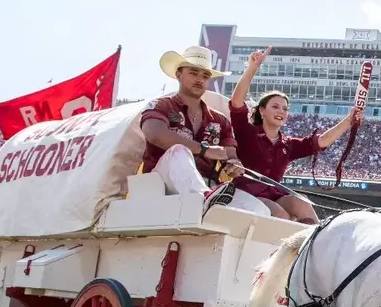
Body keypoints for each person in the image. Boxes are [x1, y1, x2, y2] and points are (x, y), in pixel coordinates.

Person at [229, 48, 361, 224]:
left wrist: (349, 121)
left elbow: (321, 141)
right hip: (244, 192)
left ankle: (312, 249)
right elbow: (237, 103)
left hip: (273, 194)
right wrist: (252, 68)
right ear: (262, 111)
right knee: (280, 215)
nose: (281, 111)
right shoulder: (247, 132)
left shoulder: (288, 144)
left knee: (302, 204)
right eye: (275, 106)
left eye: (285, 108)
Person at [140, 47, 262, 213]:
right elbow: (155, 135)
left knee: (258, 208)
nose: (200, 79)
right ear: (178, 74)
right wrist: (204, 150)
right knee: (179, 151)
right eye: (193, 73)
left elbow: (229, 153)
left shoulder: (219, 119)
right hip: (160, 181)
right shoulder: (161, 105)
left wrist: (234, 164)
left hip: (208, 184)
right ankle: (203, 199)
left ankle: (207, 201)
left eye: (205, 76)